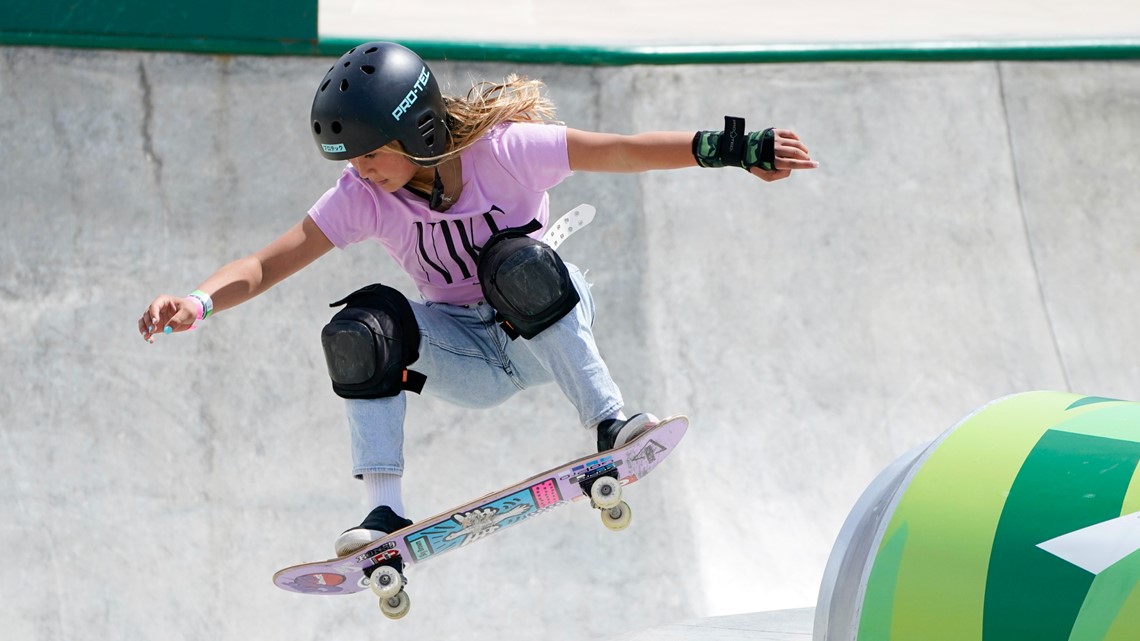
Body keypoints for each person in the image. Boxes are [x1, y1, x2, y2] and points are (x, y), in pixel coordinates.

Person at [137, 42, 817, 563]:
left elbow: (620, 151)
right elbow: (266, 262)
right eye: (352, 161)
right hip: (464, 357)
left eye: (370, 155)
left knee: (515, 262)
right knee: (361, 327)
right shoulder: (361, 196)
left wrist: (732, 147)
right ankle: (383, 512)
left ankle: (611, 422)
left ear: (417, 131)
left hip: (544, 329)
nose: (360, 171)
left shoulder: (507, 151)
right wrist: (198, 301)